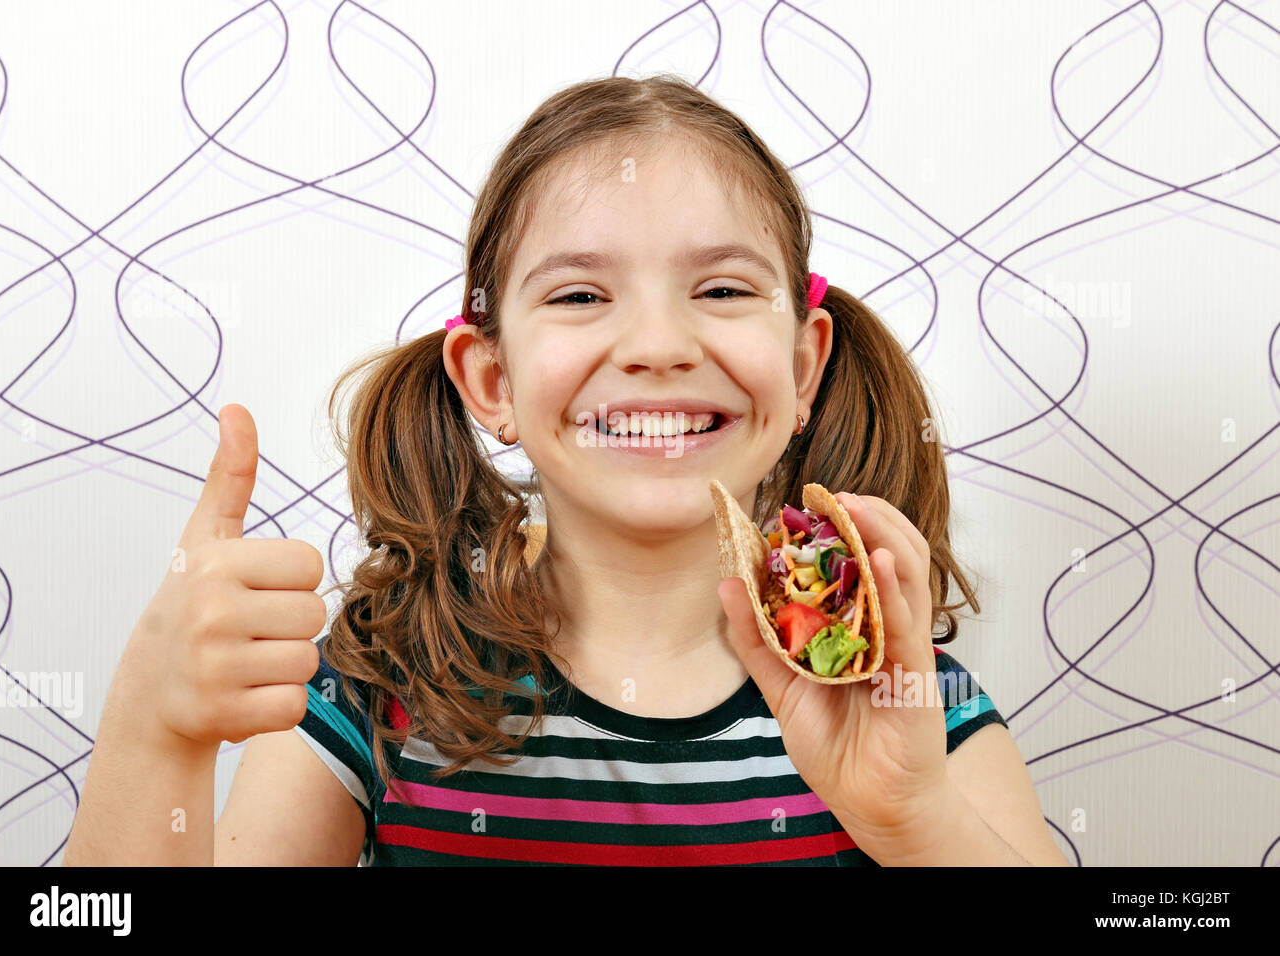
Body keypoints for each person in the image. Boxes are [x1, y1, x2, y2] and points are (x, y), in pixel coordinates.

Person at [64, 73, 1067, 867]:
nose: (659, 343)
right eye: (582, 295)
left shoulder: (910, 708)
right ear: (490, 376)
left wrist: (916, 822)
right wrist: (150, 733)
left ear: (803, 365)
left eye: (719, 287)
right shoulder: (380, 690)